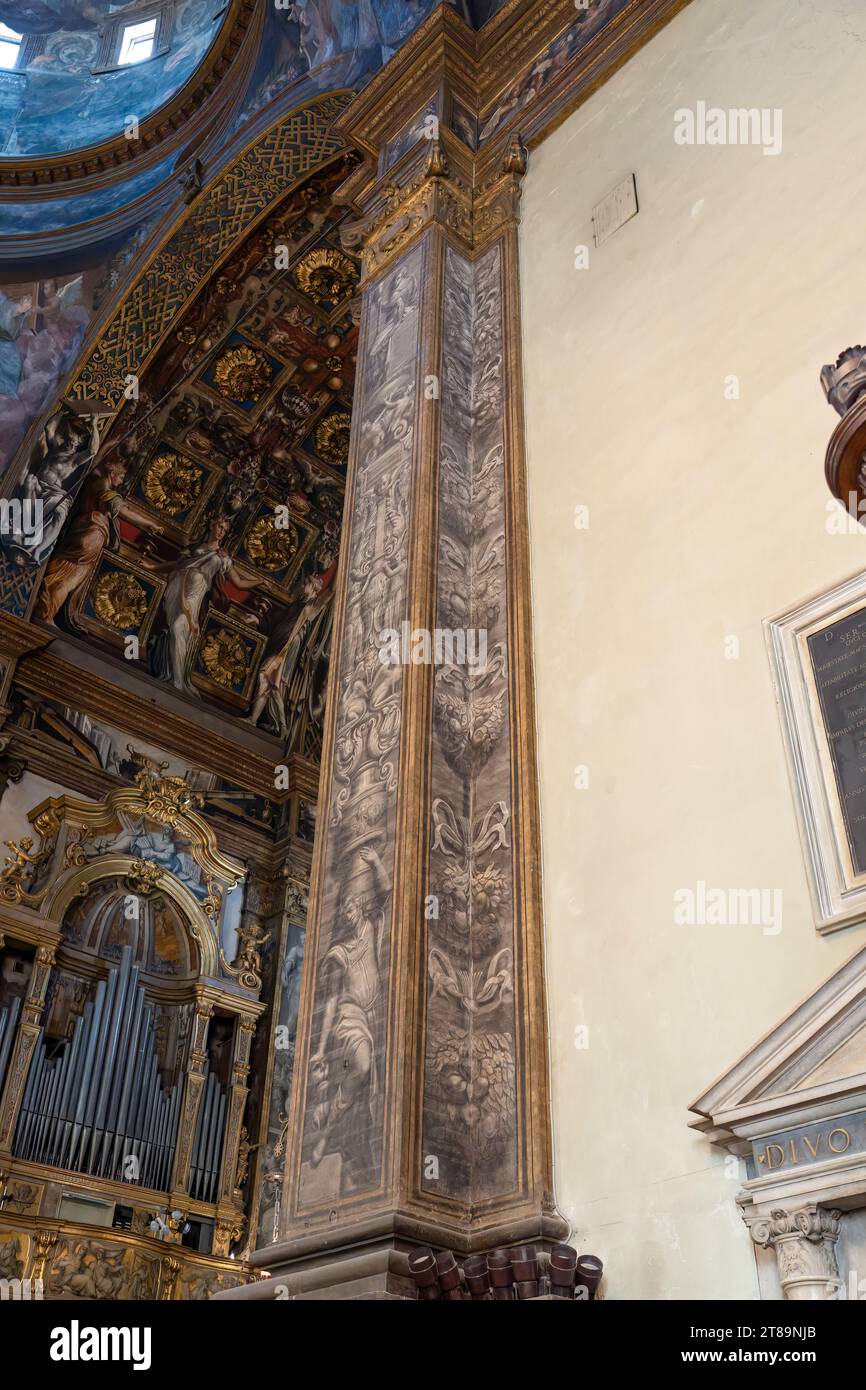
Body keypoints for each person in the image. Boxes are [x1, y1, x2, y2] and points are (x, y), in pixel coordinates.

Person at [147, 516, 258, 692]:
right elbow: (177, 566)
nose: (221, 531)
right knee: (170, 630)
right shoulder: (194, 548)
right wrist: (152, 567)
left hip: (195, 597)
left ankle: (177, 680)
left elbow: (239, 582)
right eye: (219, 526)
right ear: (211, 525)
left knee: (178, 629)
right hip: (177, 589)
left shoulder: (222, 556)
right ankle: (168, 672)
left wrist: (260, 582)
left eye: (224, 529)